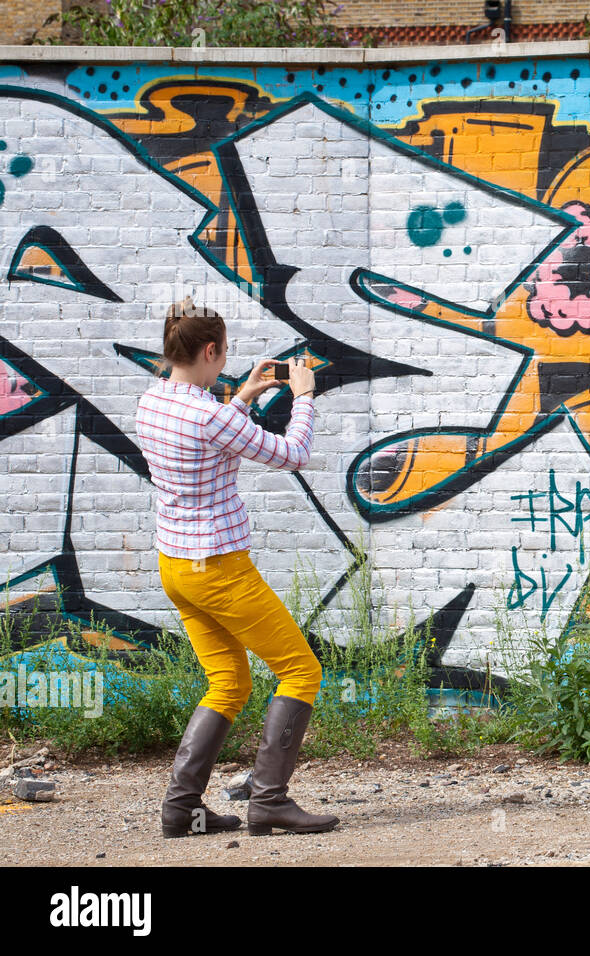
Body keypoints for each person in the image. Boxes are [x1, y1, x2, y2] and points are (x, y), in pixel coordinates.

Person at [134, 297, 339, 838]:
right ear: (209, 350)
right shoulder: (209, 414)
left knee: (227, 681)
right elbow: (293, 452)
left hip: (177, 566)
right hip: (221, 568)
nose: (224, 364)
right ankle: (269, 801)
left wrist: (243, 395)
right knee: (301, 670)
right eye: (222, 356)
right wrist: (305, 397)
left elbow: (213, 438)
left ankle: (182, 811)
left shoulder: (153, 402)